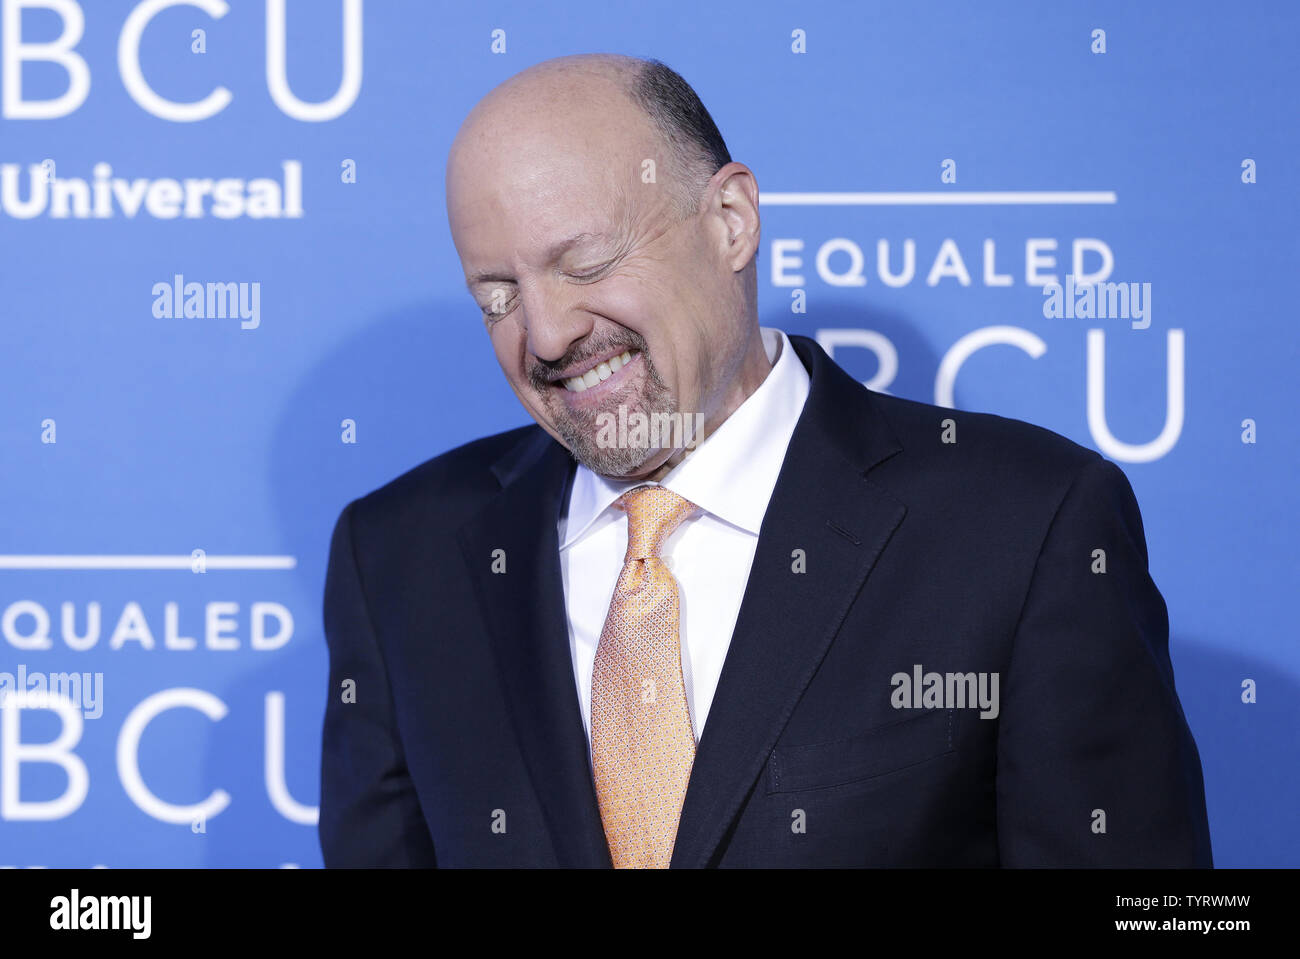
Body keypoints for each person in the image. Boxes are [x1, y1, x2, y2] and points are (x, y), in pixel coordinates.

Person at [318, 53, 1212, 868]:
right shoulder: (401, 556)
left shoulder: (1024, 526)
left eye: (587, 264)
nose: (546, 333)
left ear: (731, 222)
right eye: (499, 296)